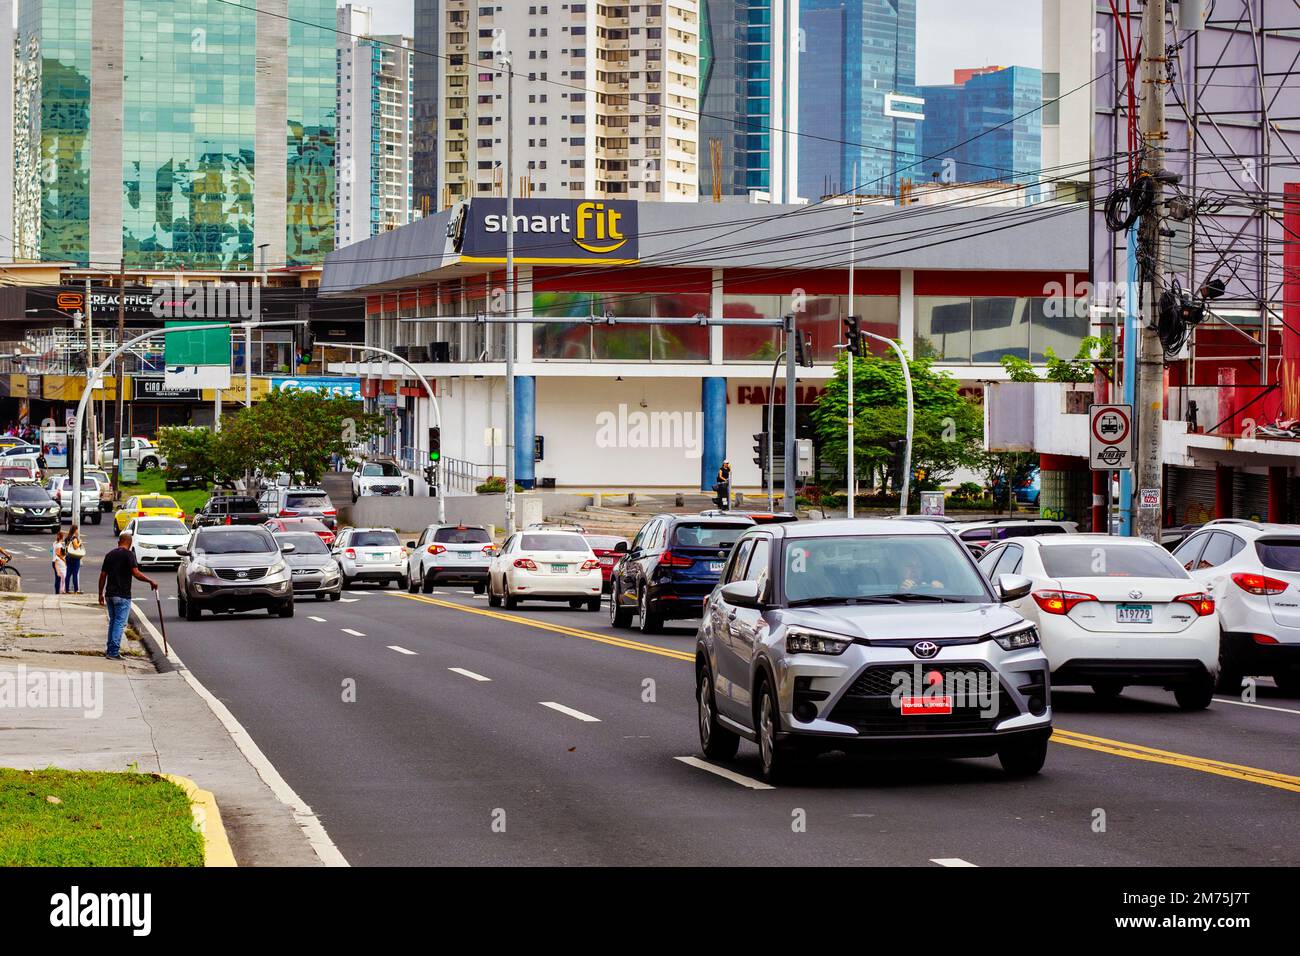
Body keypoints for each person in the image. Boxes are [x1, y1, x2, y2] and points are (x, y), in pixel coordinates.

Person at [98, 532, 158, 660]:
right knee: (119, 623)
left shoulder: (110, 554)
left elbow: (103, 575)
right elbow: (136, 573)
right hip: (122, 595)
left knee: (113, 622)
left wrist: (100, 594)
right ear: (130, 544)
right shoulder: (129, 555)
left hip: (110, 594)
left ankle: (110, 649)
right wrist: (150, 581)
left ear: (119, 542)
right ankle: (113, 652)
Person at [64, 525, 85, 594]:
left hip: (68, 557)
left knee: (68, 574)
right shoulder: (74, 538)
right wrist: (80, 543)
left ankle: (66, 589)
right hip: (75, 557)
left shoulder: (67, 538)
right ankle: (76, 589)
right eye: (77, 530)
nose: (77, 531)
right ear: (75, 530)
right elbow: (76, 547)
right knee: (75, 574)